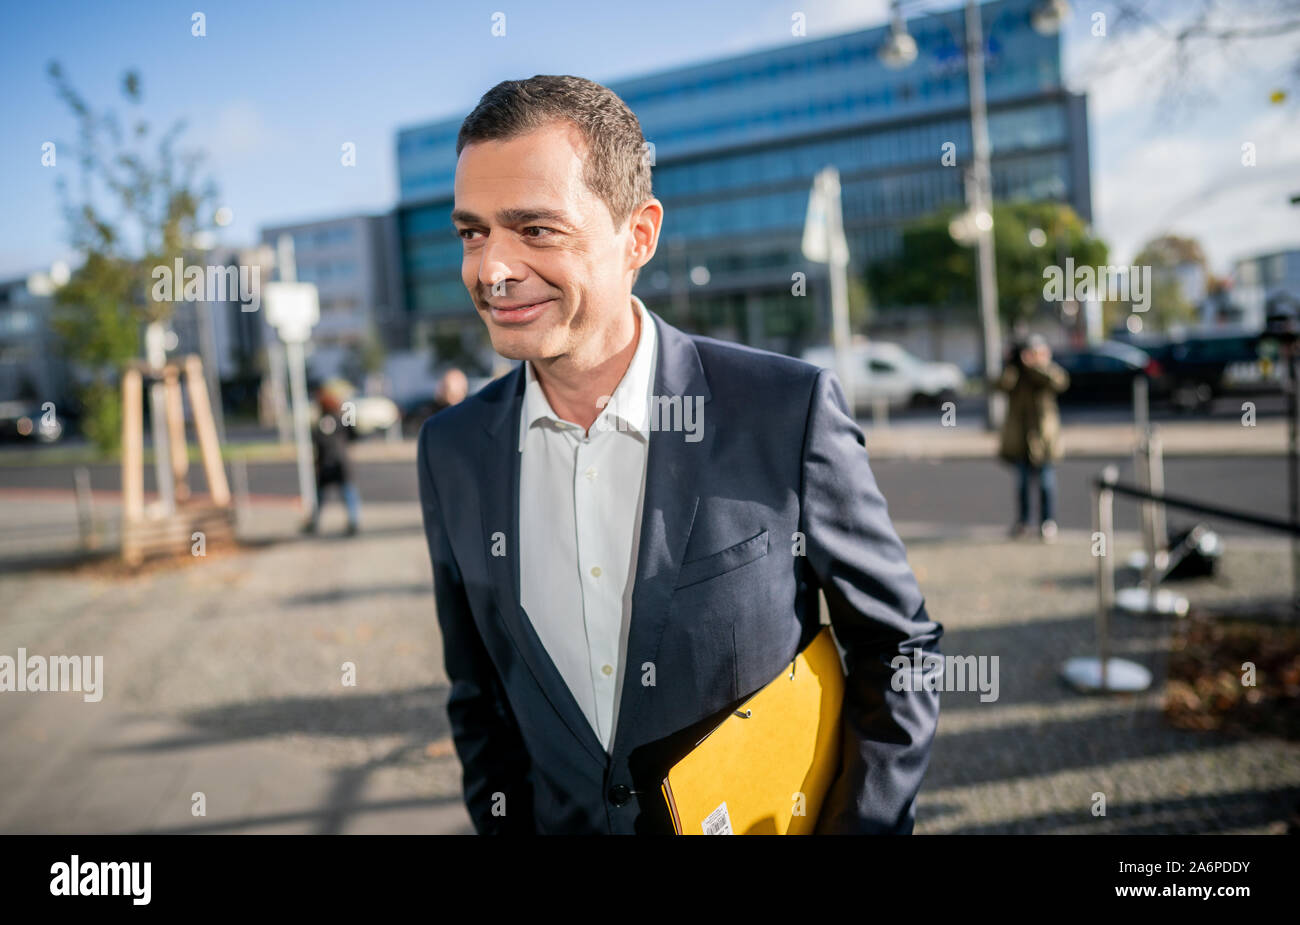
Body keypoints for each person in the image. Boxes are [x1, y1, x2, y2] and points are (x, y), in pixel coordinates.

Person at [417, 75, 941, 835]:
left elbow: (901, 651)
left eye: (534, 230)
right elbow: (479, 700)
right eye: (473, 232)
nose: (491, 269)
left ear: (639, 234)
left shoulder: (781, 412)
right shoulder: (451, 450)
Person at [995, 335, 1070, 541]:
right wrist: (1011, 364)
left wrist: (1037, 364)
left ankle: (1048, 522)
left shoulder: (1045, 370)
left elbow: (1059, 382)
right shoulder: (1015, 372)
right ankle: (1024, 522)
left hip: (1044, 438)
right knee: (1022, 485)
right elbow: (1000, 385)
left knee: (1046, 483)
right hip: (1020, 440)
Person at [302, 382, 361, 536]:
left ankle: (314, 522)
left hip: (324, 461)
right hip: (341, 460)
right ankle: (353, 521)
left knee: (320, 495)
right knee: (348, 492)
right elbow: (354, 435)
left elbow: (315, 440)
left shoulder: (320, 421)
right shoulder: (342, 417)